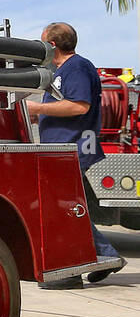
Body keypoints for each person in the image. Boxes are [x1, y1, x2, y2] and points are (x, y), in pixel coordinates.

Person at [25, 21, 125, 288]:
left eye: (44, 42)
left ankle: (76, 266)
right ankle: (104, 254)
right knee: (67, 206)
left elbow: (79, 106)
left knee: (63, 207)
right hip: (62, 149)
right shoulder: (60, 70)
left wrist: (37, 108)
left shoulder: (77, 67)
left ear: (53, 44)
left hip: (74, 148)